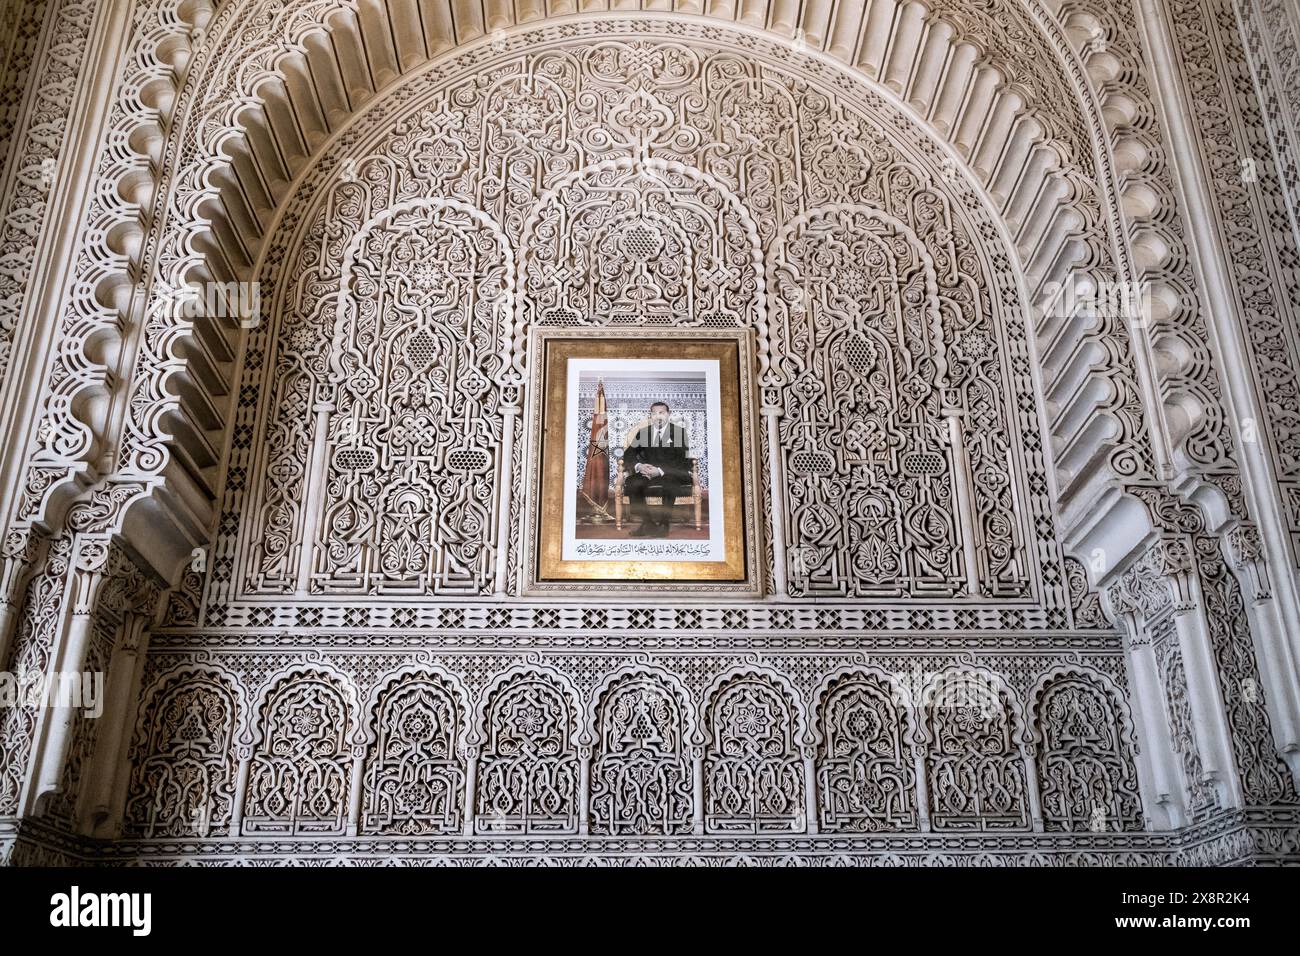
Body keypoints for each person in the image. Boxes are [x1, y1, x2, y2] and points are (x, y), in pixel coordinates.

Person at [621, 401, 691, 537]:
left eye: (661, 413)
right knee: (632, 482)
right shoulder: (644, 433)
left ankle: (664, 523)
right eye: (654, 413)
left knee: (669, 482)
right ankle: (647, 523)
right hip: (649, 472)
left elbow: (683, 460)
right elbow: (628, 454)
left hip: (672, 472)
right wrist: (639, 466)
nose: (658, 416)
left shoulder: (678, 433)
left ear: (668, 414)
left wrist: (659, 470)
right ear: (651, 416)